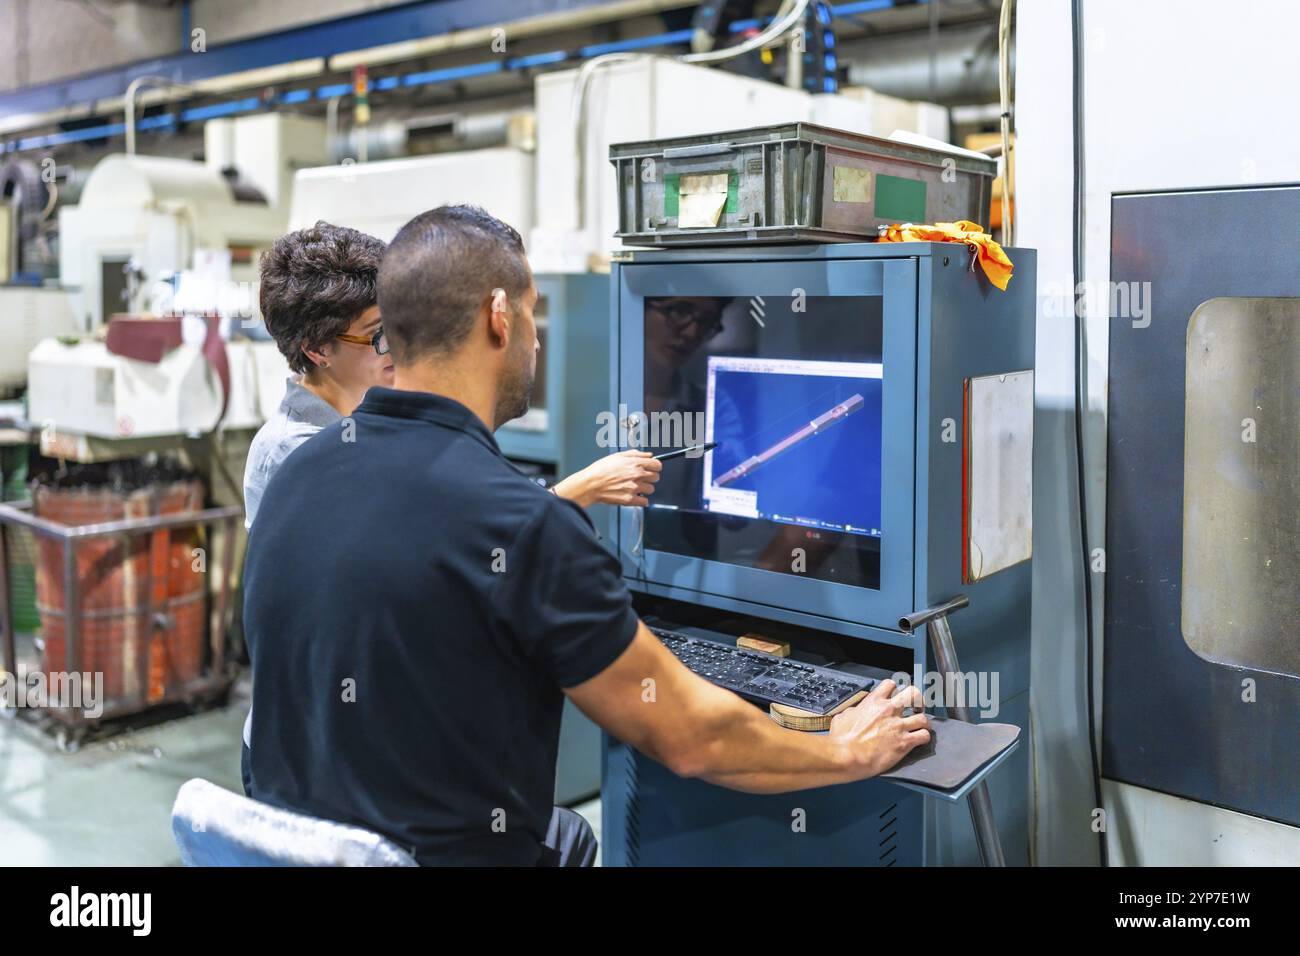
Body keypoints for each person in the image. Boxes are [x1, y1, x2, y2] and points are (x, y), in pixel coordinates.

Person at [242, 205, 929, 866]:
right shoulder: (521, 523)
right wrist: (846, 749)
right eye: (534, 314)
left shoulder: (298, 470)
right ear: (499, 319)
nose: (537, 340)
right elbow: (691, 737)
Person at [239, 220, 661, 797]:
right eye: (376, 337)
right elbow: (423, 538)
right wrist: (566, 499)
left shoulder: (365, 431)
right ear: (317, 349)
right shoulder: (296, 456)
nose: (396, 353)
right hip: (319, 745)